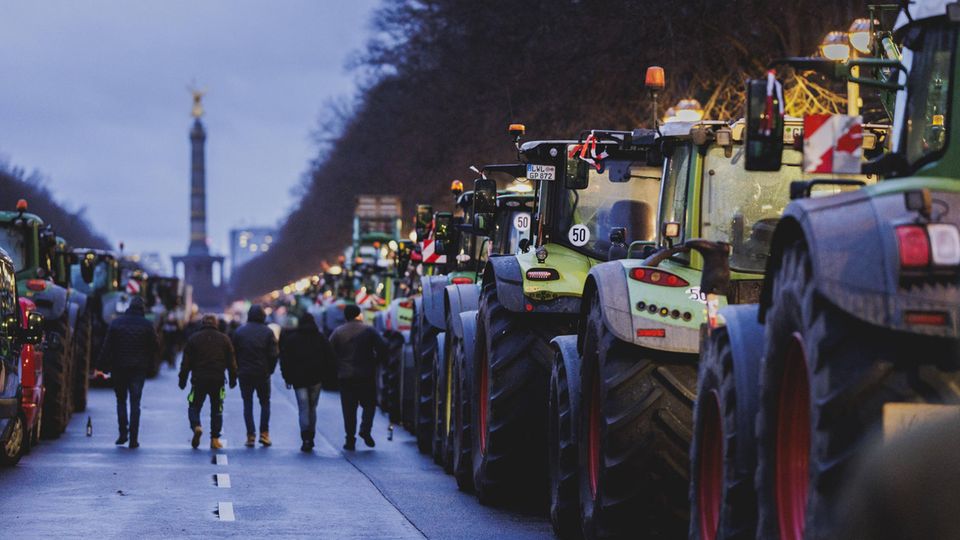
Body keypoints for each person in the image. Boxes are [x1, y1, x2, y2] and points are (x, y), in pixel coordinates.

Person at [96, 296, 160, 449]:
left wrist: (101, 365)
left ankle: (123, 434)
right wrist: (149, 362)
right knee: (135, 403)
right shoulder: (147, 325)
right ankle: (134, 439)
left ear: (128, 307)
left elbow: (107, 347)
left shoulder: (116, 323)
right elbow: (156, 347)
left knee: (121, 401)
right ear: (142, 309)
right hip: (139, 369)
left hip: (119, 368)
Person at [329, 304, 388, 451]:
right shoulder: (369, 330)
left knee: (349, 410)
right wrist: (376, 362)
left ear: (345, 316)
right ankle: (365, 429)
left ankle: (350, 440)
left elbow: (329, 352)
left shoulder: (338, 332)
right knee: (369, 405)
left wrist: (337, 367)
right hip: (366, 375)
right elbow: (383, 347)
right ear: (359, 314)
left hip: (346, 377)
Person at [178, 314, 237, 449]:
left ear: (202, 323)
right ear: (216, 324)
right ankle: (215, 439)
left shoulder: (194, 339)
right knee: (217, 408)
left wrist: (182, 379)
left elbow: (185, 363)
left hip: (198, 379)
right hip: (218, 380)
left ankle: (196, 426)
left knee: (194, 406)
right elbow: (231, 362)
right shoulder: (224, 339)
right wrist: (233, 378)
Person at [279, 313, 334, 452]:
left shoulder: (292, 339)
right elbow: (330, 357)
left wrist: (287, 378)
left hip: (299, 380)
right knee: (312, 408)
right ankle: (312, 436)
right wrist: (326, 375)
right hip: (316, 378)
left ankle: (305, 439)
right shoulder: (320, 338)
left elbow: (285, 360)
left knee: (303, 408)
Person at [232, 304, 279, 447]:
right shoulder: (268, 332)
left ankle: (250, 436)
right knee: (265, 403)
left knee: (248, 404)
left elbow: (233, 354)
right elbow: (274, 354)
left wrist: (236, 370)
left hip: (245, 373)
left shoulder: (239, 332)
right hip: (262, 373)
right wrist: (269, 370)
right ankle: (264, 434)